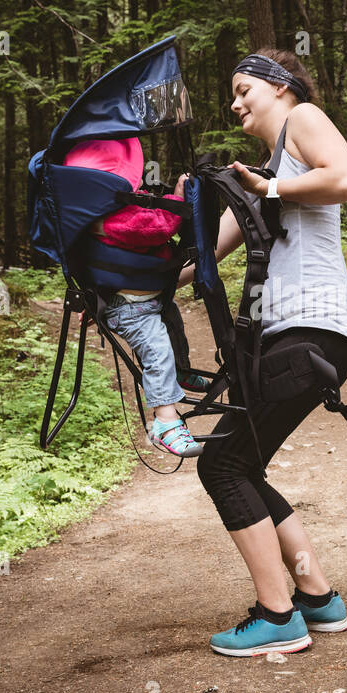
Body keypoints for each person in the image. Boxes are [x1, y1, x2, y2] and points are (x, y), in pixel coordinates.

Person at [174, 49, 347, 657]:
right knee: (241, 464)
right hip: (289, 337)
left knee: (222, 465)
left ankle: (278, 615)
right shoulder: (263, 175)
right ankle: (316, 596)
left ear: (280, 87)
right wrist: (113, 279)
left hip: (313, 330)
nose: (235, 104)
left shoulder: (302, 119)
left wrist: (271, 183)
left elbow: (346, 178)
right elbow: (196, 264)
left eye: (243, 89)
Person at [66, 137, 206, 457]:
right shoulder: (108, 218)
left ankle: (180, 372)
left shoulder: (109, 208)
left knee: (173, 329)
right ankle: (165, 422)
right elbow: (156, 226)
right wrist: (177, 199)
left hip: (146, 300)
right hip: (131, 309)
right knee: (157, 352)